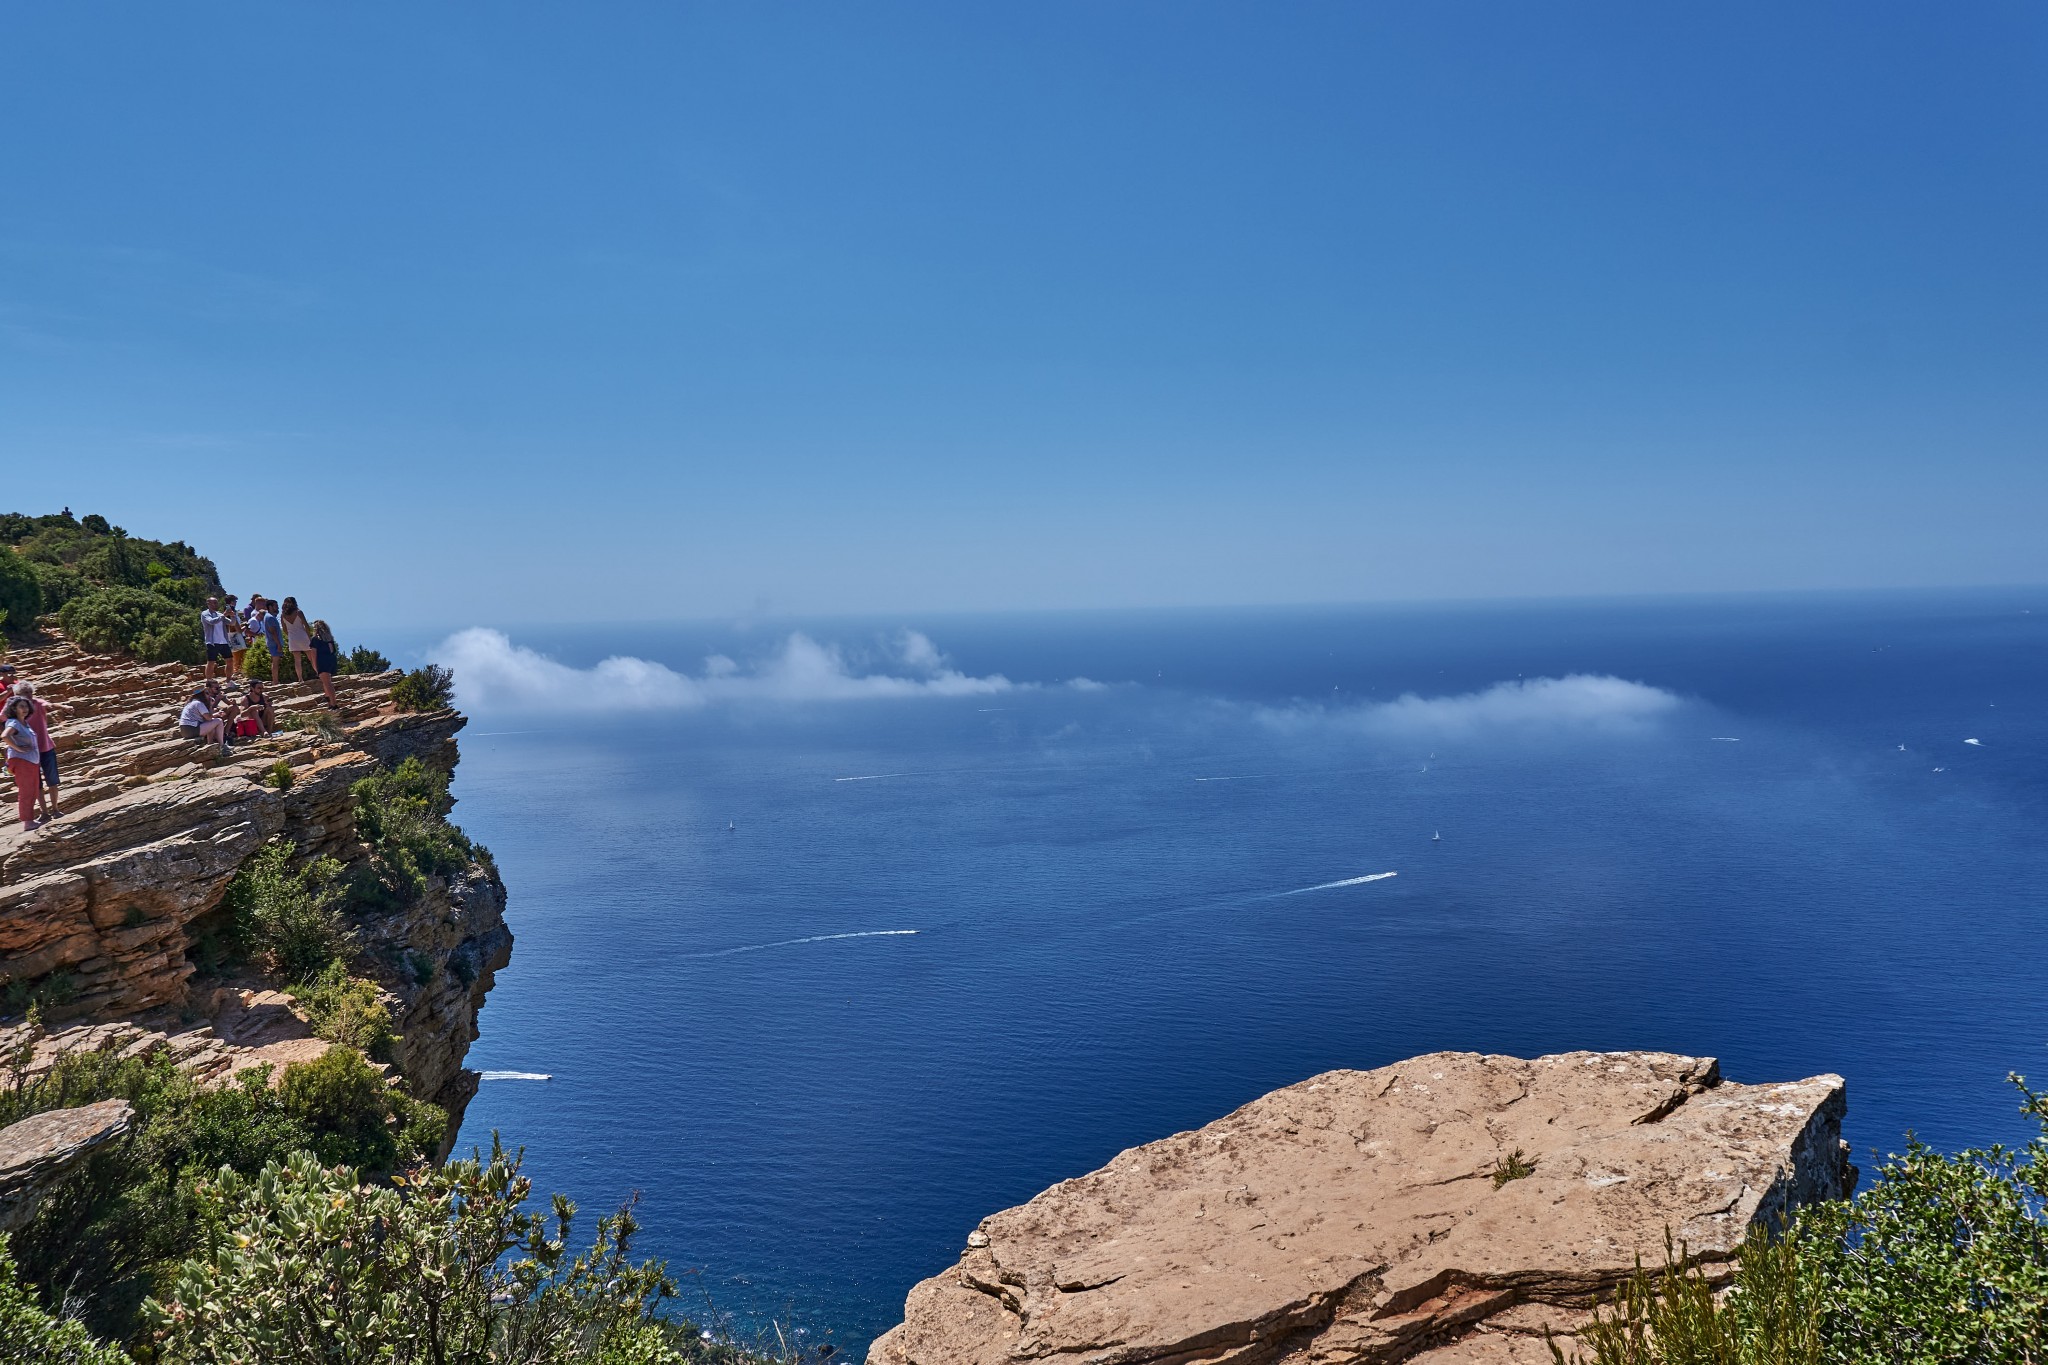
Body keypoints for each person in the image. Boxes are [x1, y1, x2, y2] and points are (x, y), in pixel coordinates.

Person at [11, 682, 59, 821]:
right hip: (30, 753)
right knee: (36, 784)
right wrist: (16, 747)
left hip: (46, 748)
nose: (29, 696)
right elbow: (3, 722)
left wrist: (64, 706)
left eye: (30, 693)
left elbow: (48, 705)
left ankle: (55, 809)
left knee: (52, 781)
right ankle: (44, 812)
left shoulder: (37, 703)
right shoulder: (14, 711)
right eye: (25, 694)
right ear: (18, 696)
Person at [4, 696, 44, 832]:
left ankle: (30, 819)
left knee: (32, 791)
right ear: (13, 708)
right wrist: (19, 749)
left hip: (30, 762)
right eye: (21, 706)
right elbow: (4, 736)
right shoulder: (14, 723)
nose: (25, 709)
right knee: (27, 792)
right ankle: (27, 821)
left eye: (26, 706)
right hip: (22, 762)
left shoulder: (24, 723)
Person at [178, 688, 227, 752]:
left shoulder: (191, 703)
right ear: (201, 695)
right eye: (207, 693)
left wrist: (217, 714)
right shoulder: (199, 703)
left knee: (211, 724)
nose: (209, 695)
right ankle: (222, 746)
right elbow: (208, 718)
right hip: (192, 729)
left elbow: (206, 718)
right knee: (219, 721)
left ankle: (211, 744)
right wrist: (210, 704)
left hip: (185, 730)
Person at [279, 597, 314, 685]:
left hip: (292, 638)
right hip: (303, 636)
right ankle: (318, 673)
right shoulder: (298, 612)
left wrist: (289, 635)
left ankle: (300, 679)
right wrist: (309, 637)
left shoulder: (283, 615)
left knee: (297, 660)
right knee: (312, 658)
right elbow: (306, 625)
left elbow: (284, 629)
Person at [308, 620, 343, 709]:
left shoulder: (315, 639)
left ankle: (334, 704)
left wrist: (315, 668)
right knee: (326, 682)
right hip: (331, 661)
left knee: (327, 683)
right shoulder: (329, 639)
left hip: (322, 662)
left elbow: (313, 655)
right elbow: (332, 651)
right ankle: (330, 703)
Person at [200, 597, 233, 682]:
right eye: (214, 603)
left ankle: (229, 681)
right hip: (212, 642)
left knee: (229, 660)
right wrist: (224, 615)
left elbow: (231, 623)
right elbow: (211, 621)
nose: (216, 604)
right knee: (211, 662)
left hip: (223, 641)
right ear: (208, 604)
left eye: (216, 603)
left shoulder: (219, 614)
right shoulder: (205, 614)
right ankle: (209, 681)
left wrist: (233, 616)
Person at [223, 594, 250, 681]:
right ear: (231, 602)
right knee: (239, 654)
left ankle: (237, 672)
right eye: (234, 601)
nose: (236, 603)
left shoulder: (227, 610)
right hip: (235, 636)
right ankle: (238, 672)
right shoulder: (231, 611)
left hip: (231, 635)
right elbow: (237, 628)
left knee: (236, 655)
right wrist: (245, 626)